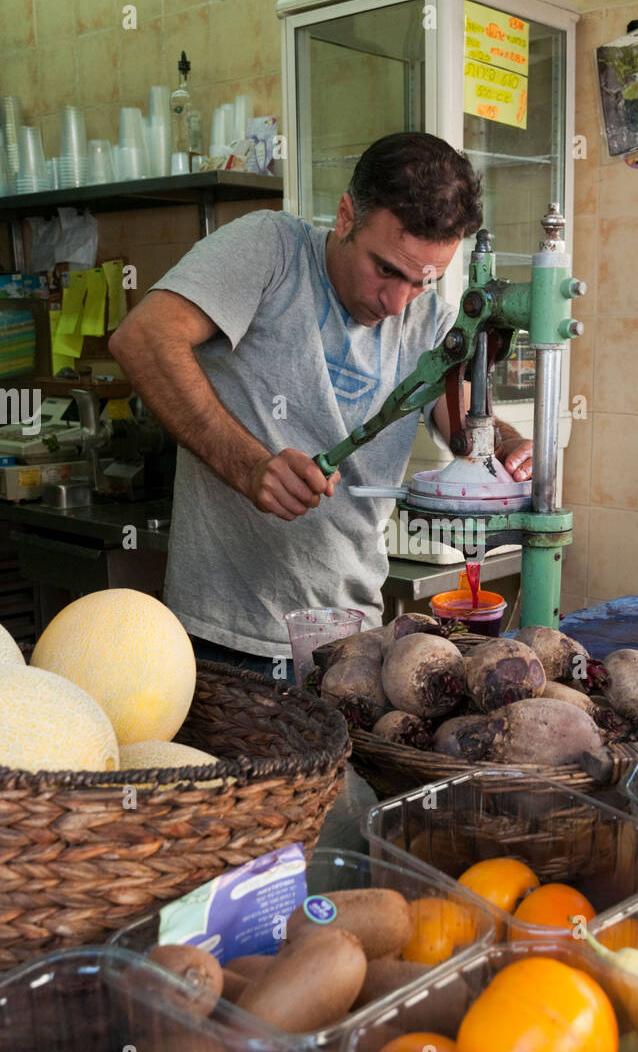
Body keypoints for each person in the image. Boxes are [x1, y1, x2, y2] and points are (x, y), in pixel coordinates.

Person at [109, 132, 532, 677]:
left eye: (423, 281)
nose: (397, 302)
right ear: (345, 216)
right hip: (225, 638)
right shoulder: (272, 250)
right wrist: (249, 466)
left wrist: (508, 446)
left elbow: (466, 426)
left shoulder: (429, 322)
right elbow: (144, 338)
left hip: (351, 639)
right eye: (386, 269)